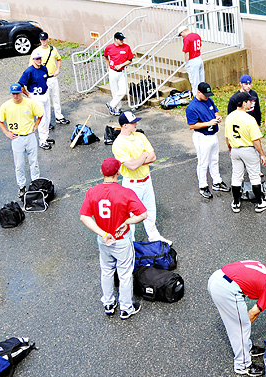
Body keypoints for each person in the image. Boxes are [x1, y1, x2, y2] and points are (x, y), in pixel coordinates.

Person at [79, 157, 147, 320]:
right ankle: (126, 307)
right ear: (118, 173)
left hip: (104, 239)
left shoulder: (92, 191)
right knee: (124, 273)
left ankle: (108, 304)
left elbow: (84, 216)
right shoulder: (126, 193)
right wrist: (127, 221)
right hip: (121, 239)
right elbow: (143, 214)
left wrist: (102, 233)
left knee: (107, 270)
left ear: (101, 172)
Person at [207, 260, 266, 376]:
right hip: (226, 289)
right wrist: (242, 328)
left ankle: (247, 348)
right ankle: (243, 365)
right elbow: (253, 313)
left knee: (239, 323)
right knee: (241, 326)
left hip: (216, 278)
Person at [112, 111, 171, 244]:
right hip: (132, 184)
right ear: (124, 125)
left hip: (146, 179)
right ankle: (130, 242)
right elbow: (132, 166)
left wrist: (138, 160)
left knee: (150, 210)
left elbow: (153, 157)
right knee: (130, 214)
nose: (136, 124)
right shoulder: (119, 144)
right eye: (133, 123)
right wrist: (144, 156)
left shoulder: (140, 136)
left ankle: (154, 237)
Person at [0, 83, 44, 201]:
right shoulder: (6, 106)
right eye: (13, 93)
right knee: (19, 164)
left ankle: (35, 183)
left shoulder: (29, 103)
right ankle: (22, 186)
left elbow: (40, 113)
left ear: (21, 92)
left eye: (17, 93)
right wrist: (6, 132)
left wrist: (36, 125)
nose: (15, 96)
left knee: (34, 161)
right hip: (17, 138)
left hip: (29, 136)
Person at [225, 92, 266, 213]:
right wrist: (262, 154)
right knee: (254, 177)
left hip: (235, 150)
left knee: (236, 176)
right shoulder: (249, 119)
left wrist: (230, 149)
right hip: (248, 150)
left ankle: (235, 203)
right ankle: (260, 203)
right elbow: (256, 140)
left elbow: (227, 138)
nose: (251, 103)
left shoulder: (229, 117)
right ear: (244, 103)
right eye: (249, 101)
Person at [186, 82, 229, 199]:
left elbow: (215, 111)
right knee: (203, 162)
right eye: (205, 94)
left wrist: (217, 117)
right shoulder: (192, 107)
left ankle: (217, 181)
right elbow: (192, 125)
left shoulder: (208, 100)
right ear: (198, 92)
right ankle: (203, 186)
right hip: (202, 137)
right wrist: (208, 123)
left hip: (213, 135)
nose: (207, 97)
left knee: (214, 159)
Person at [31, 32, 70, 127]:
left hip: (53, 77)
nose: (43, 41)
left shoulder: (53, 49)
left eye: (45, 39)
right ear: (40, 40)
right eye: (42, 40)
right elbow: (32, 64)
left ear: (48, 39)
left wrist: (58, 69)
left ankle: (59, 117)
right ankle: (46, 121)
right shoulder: (37, 51)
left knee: (56, 97)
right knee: (45, 100)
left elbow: (59, 59)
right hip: (43, 79)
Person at [18, 52, 52, 150]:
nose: (39, 61)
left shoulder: (44, 69)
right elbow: (21, 84)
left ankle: (46, 136)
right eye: (37, 59)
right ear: (33, 60)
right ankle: (42, 141)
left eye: (40, 58)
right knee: (41, 118)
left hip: (45, 94)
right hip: (36, 96)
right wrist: (28, 94)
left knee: (48, 116)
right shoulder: (29, 71)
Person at [103, 31, 133, 116]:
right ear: (115, 39)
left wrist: (121, 65)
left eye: (122, 39)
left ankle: (111, 104)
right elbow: (105, 55)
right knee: (115, 91)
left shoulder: (126, 47)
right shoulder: (109, 47)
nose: (122, 41)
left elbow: (130, 60)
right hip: (112, 72)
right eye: (120, 39)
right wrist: (108, 64)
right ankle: (117, 109)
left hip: (122, 72)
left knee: (123, 90)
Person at [179, 27, 204, 96]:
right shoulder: (196, 35)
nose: (182, 37)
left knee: (194, 81)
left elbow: (186, 52)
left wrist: (186, 63)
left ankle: (196, 96)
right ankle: (204, 94)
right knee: (201, 79)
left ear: (182, 32)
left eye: (181, 35)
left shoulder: (186, 38)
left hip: (192, 60)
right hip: (199, 58)